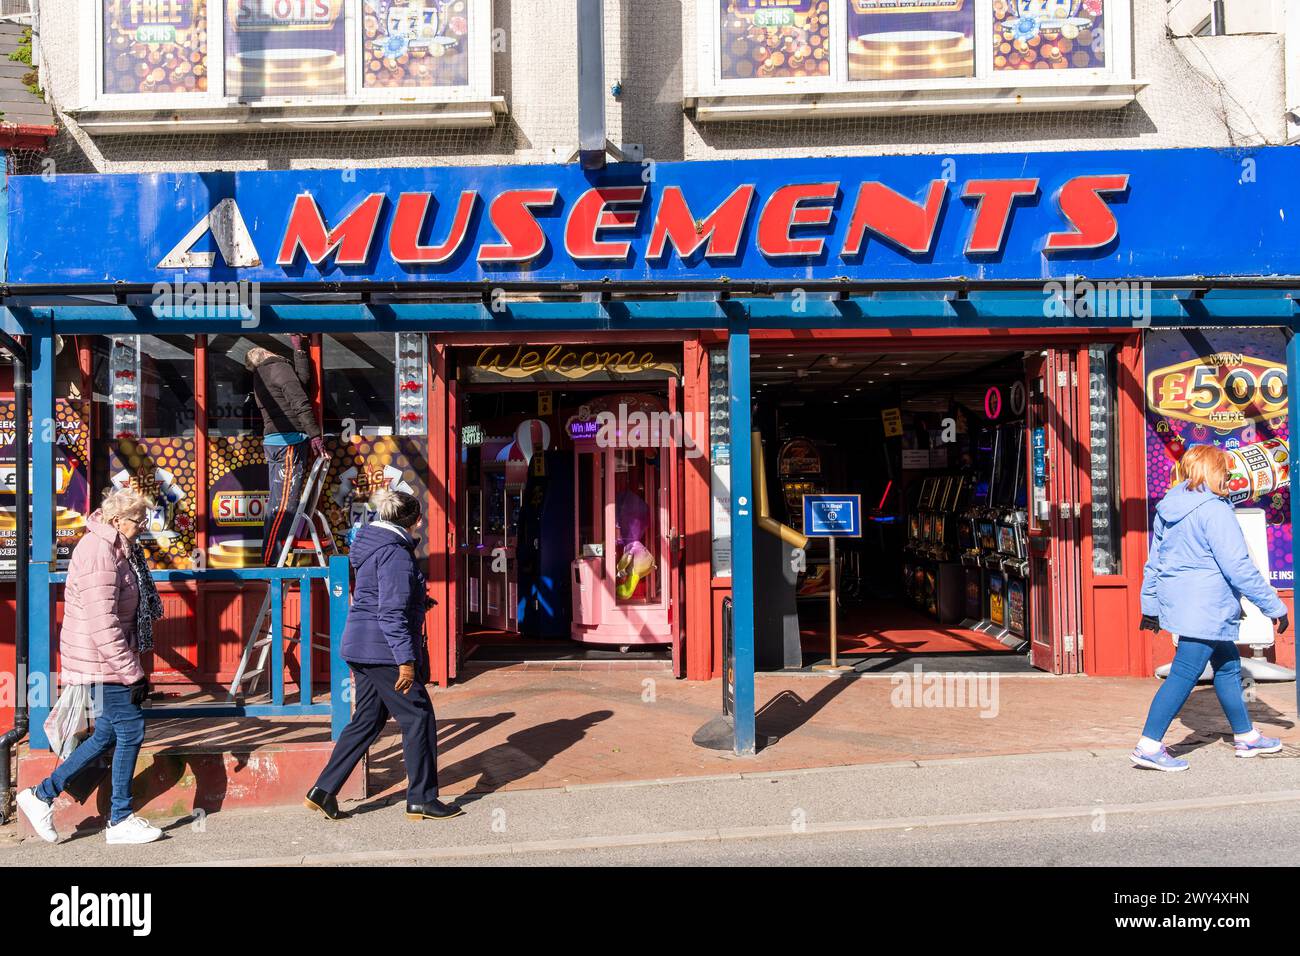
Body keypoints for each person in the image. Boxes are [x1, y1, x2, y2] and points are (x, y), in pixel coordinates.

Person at [17, 487, 166, 844]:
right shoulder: (100, 551)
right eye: (138, 520)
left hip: (105, 658)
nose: (142, 526)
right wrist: (133, 672)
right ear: (117, 519)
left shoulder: (115, 546)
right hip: (103, 660)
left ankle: (40, 796)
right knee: (131, 730)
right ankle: (120, 818)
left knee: (108, 734)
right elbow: (104, 623)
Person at [305, 489, 462, 821]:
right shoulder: (396, 554)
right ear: (415, 520)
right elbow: (390, 612)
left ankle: (323, 790)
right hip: (384, 651)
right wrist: (406, 661)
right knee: (418, 717)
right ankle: (421, 798)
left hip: (362, 645)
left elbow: (381, 597)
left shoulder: (373, 546)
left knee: (368, 720)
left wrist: (419, 601)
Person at [1133, 444, 1289, 771]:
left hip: (1186, 604)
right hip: (1208, 607)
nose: (1229, 476)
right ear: (1211, 471)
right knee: (1184, 674)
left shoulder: (1169, 507)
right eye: (1225, 470)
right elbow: (1239, 566)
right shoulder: (1215, 510)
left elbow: (1155, 563)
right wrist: (1273, 606)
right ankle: (1149, 745)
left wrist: (1150, 605)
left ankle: (1246, 736)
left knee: (1229, 667)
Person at [244, 335, 326, 566]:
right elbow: (301, 400)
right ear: (266, 354)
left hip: (278, 441)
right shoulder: (277, 368)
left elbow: (302, 382)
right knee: (283, 505)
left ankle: (273, 555)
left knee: (278, 502)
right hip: (288, 441)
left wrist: (299, 351)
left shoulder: (265, 374)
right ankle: (271, 560)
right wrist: (315, 436)